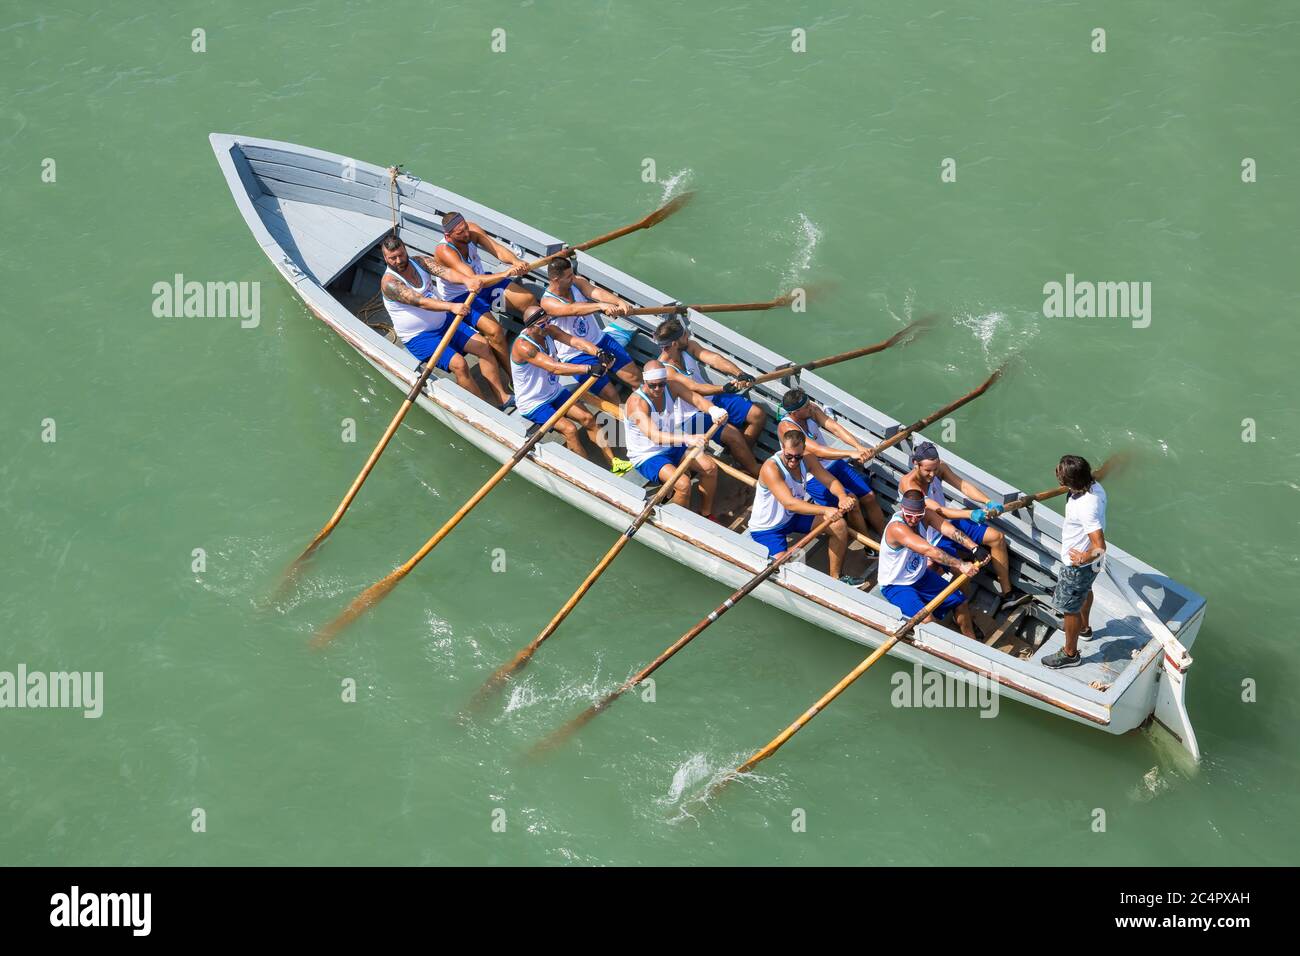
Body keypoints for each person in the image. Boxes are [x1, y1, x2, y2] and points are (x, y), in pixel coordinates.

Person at [378, 235, 512, 407]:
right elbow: (420, 302)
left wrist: (467, 280)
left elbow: (446, 272)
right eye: (393, 258)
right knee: (460, 364)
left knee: (483, 346)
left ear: (405, 250)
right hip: (420, 336)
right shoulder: (389, 283)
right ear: (385, 258)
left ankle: (502, 397)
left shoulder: (420, 262)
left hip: (444, 320)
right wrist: (451, 307)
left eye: (401, 254)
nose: (398, 260)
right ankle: (483, 409)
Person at [899, 441, 1030, 616]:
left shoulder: (939, 468)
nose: (932, 474)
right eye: (927, 470)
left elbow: (963, 486)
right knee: (962, 572)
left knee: (997, 538)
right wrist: (971, 514)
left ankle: (1008, 594)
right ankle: (962, 612)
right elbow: (940, 511)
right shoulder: (908, 485)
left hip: (950, 526)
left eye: (935, 469)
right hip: (931, 537)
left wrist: (987, 502)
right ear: (916, 464)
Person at [653, 316, 766, 475]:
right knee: (733, 434)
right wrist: (724, 388)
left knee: (757, 415)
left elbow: (714, 359)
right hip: (690, 417)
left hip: (711, 399)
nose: (688, 336)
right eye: (685, 334)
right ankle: (754, 469)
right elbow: (695, 388)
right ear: (674, 343)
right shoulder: (665, 370)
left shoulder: (688, 347)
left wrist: (739, 374)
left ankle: (739, 460)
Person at [509, 307, 616, 466]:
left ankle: (614, 463)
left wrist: (599, 353)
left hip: (554, 391)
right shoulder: (524, 347)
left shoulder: (548, 330)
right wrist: (588, 368)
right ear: (530, 327)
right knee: (570, 429)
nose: (546, 325)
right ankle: (584, 471)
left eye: (547, 320)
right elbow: (554, 367)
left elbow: (575, 342)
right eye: (541, 324)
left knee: (588, 418)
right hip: (533, 403)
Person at [748, 429, 857, 583]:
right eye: (789, 456)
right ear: (783, 449)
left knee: (839, 525)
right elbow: (789, 503)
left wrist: (842, 496)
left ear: (804, 450)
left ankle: (836, 579)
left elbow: (830, 481)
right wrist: (826, 509)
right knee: (785, 569)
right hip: (767, 529)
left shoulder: (808, 459)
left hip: (793, 517)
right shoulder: (771, 468)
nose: (793, 461)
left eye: (798, 457)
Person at [776, 387, 886, 536]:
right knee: (853, 503)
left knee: (869, 497)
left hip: (832, 464)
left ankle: (884, 538)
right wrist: (852, 453)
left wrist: (859, 447)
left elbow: (834, 428)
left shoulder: (811, 409)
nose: (811, 406)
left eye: (809, 403)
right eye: (806, 407)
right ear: (794, 413)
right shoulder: (787, 428)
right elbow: (818, 451)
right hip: (812, 475)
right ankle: (870, 547)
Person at [624, 362, 726, 516]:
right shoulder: (637, 404)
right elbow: (654, 436)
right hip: (647, 456)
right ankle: (679, 521)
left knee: (710, 468)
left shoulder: (672, 387)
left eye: (661, 384)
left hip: (672, 445)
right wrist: (687, 438)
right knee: (683, 484)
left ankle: (706, 514)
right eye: (653, 386)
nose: (658, 389)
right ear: (645, 381)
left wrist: (713, 410)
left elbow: (697, 401)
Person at [433, 211, 536, 364]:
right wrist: (506, 273)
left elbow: (497, 249)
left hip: (485, 283)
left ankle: (535, 347)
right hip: (463, 295)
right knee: (495, 332)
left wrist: (515, 262)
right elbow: (473, 280)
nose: (467, 233)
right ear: (448, 236)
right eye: (461, 232)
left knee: (528, 300)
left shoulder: (472, 231)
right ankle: (512, 377)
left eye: (466, 227)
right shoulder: (444, 251)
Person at [877, 490, 982, 639]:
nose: (913, 520)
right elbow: (929, 550)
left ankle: (972, 643)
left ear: (923, 511)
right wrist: (961, 565)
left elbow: (951, 531)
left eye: (918, 516)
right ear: (901, 509)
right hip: (896, 585)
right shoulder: (897, 528)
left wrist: (974, 547)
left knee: (961, 603)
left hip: (921, 576)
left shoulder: (926, 516)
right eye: (909, 515)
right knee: (927, 622)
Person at [538, 256, 642, 405]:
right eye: (568, 277)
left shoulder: (577, 282)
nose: (572, 278)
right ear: (555, 279)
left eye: (572, 274)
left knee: (636, 379)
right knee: (611, 395)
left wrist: (619, 302)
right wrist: (600, 306)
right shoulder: (547, 302)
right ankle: (622, 423)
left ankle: (648, 415)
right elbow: (572, 310)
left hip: (600, 340)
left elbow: (596, 293)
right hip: (576, 354)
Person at [1042, 455, 1108, 669]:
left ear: (1069, 482)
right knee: (1084, 591)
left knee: (1069, 608)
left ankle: (1070, 654)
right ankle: (1084, 628)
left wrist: (1082, 557)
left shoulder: (1085, 507)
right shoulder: (1095, 486)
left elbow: (1099, 546)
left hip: (1078, 566)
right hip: (1090, 568)